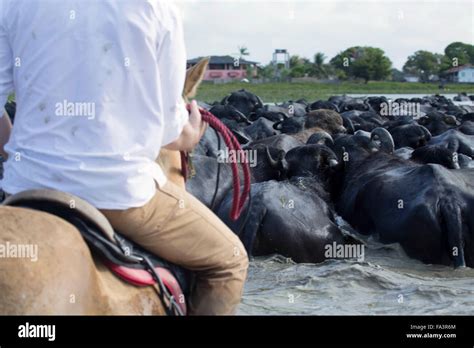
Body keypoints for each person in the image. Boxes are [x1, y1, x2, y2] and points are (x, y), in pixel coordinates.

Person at [0, 0, 248, 315]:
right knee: (230, 261)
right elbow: (169, 131)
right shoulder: (158, 7)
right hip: (119, 194)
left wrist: (17, 155)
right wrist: (191, 135)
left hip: (25, 189)